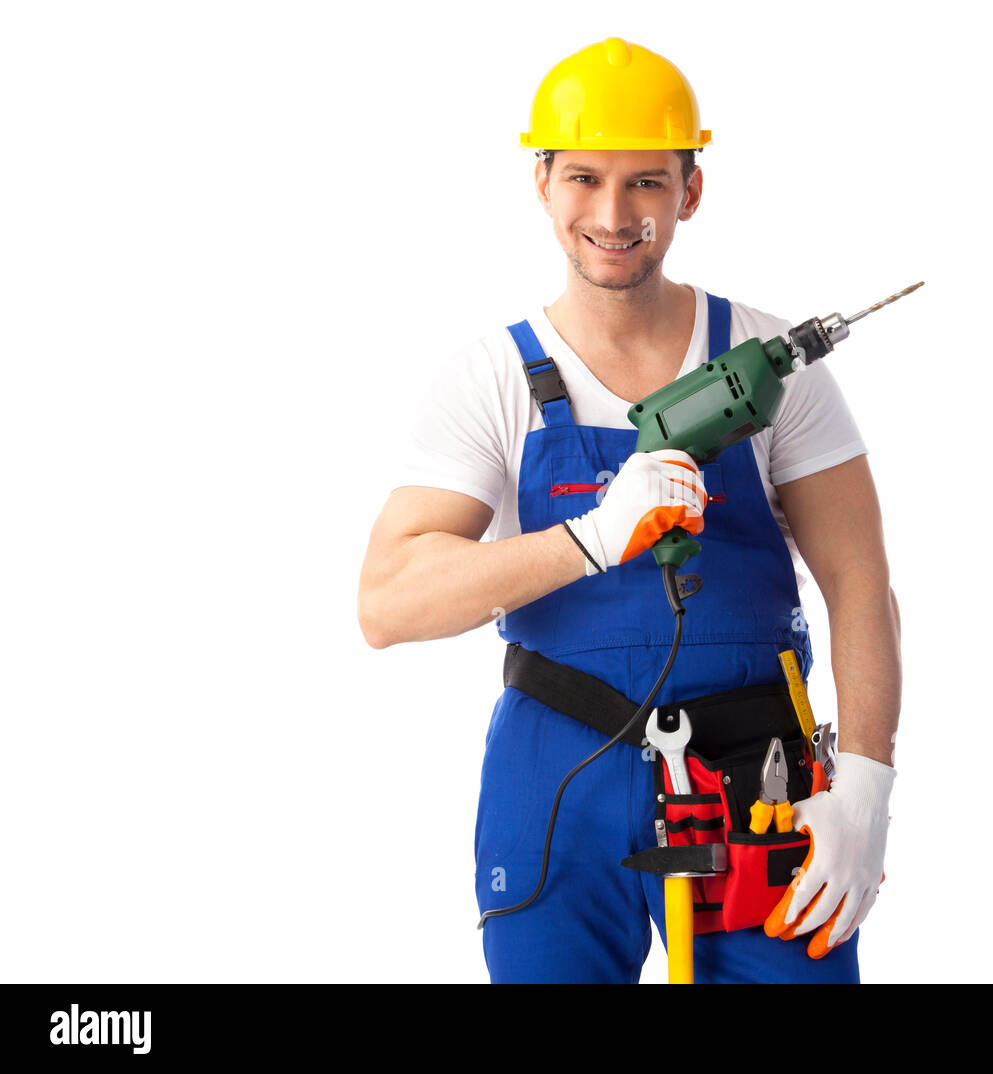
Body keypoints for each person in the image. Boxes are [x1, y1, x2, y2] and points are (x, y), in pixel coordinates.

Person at [357, 37, 901, 984]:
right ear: (543, 183)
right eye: (585, 179)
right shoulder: (491, 378)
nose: (614, 215)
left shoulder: (767, 363)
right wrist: (590, 538)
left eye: (647, 183)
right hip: (557, 772)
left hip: (754, 772)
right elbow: (388, 603)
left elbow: (861, 585)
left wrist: (865, 785)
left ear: (691, 190)